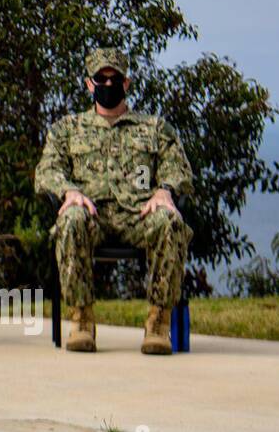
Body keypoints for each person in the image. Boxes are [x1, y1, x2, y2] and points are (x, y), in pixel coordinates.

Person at [34, 48, 194, 354]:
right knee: (70, 219)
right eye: (101, 79)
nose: (108, 85)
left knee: (170, 220)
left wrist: (165, 190)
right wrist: (69, 191)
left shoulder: (154, 128)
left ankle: (158, 322)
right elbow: (46, 171)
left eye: (115, 79)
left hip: (139, 214)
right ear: (89, 84)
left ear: (127, 83)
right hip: (91, 213)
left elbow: (179, 168)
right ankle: (81, 320)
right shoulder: (67, 129)